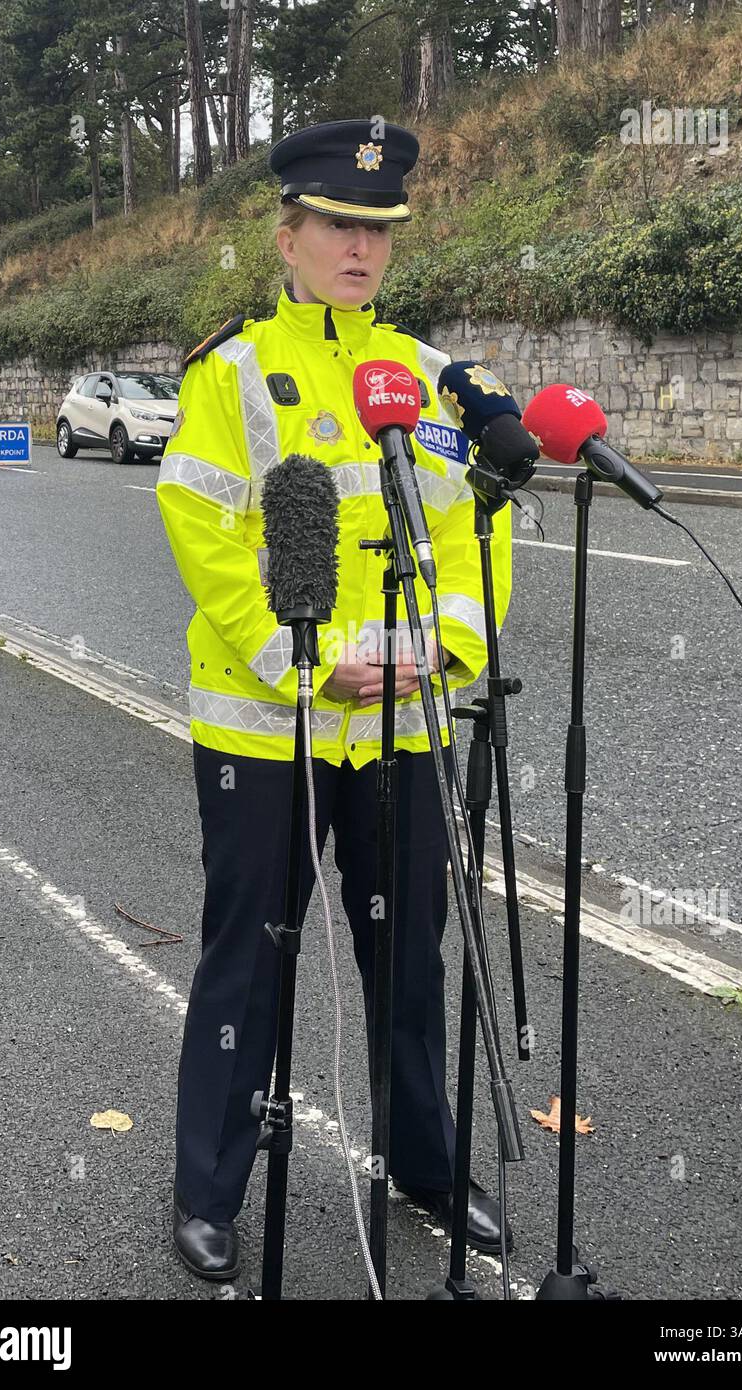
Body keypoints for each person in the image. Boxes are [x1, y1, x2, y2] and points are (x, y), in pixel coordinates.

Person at [156, 118, 513, 1283]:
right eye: (339, 228)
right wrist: (293, 662)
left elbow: (470, 541)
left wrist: (442, 653)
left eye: (379, 232)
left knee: (407, 962)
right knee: (246, 960)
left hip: (401, 725)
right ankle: (209, 1188)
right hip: (267, 728)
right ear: (288, 236)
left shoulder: (419, 379)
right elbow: (203, 531)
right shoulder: (231, 372)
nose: (360, 250)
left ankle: (423, 1166)